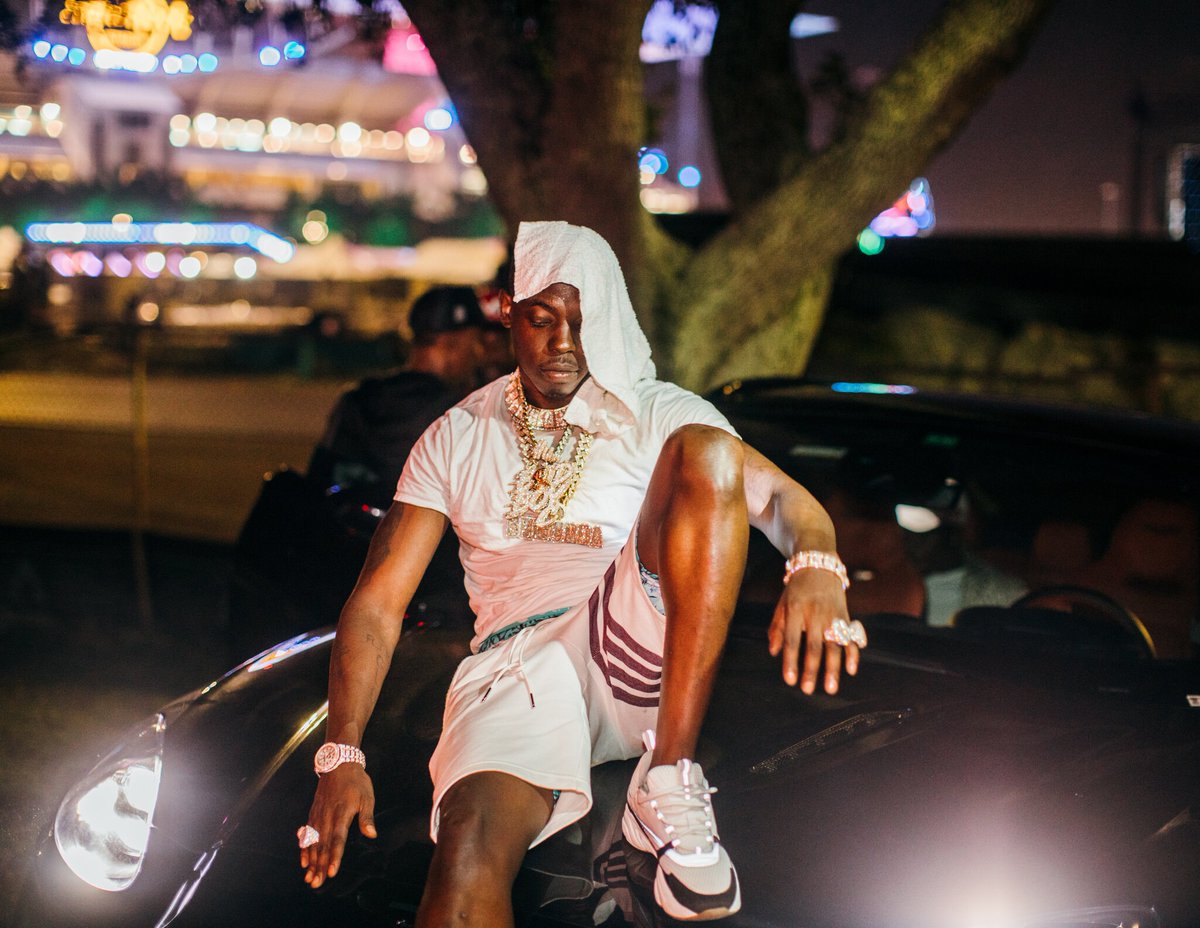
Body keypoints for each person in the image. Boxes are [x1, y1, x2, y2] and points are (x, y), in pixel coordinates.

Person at [298, 221, 864, 924]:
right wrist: (341, 752)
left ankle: (667, 776)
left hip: (638, 640)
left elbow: (781, 499)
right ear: (508, 313)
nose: (563, 343)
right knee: (465, 860)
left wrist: (815, 563)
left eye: (582, 321)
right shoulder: (456, 435)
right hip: (518, 668)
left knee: (708, 450)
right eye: (542, 320)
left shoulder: (655, 410)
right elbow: (378, 604)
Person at [307, 285, 492, 512]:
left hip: (348, 528)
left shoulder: (358, 399)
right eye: (476, 344)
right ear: (451, 345)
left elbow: (318, 481)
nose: (479, 354)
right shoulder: (460, 413)